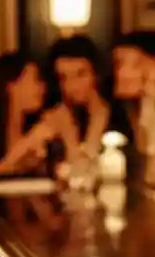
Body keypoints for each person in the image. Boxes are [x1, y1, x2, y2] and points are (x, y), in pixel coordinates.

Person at [110, 30, 155, 185]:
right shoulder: (114, 115)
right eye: (118, 64)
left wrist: (154, 101)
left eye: (135, 64)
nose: (122, 73)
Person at [44, 35, 111, 172]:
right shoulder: (53, 115)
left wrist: (98, 119)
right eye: (63, 78)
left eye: (80, 75)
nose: (72, 86)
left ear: (96, 75)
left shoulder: (116, 115)